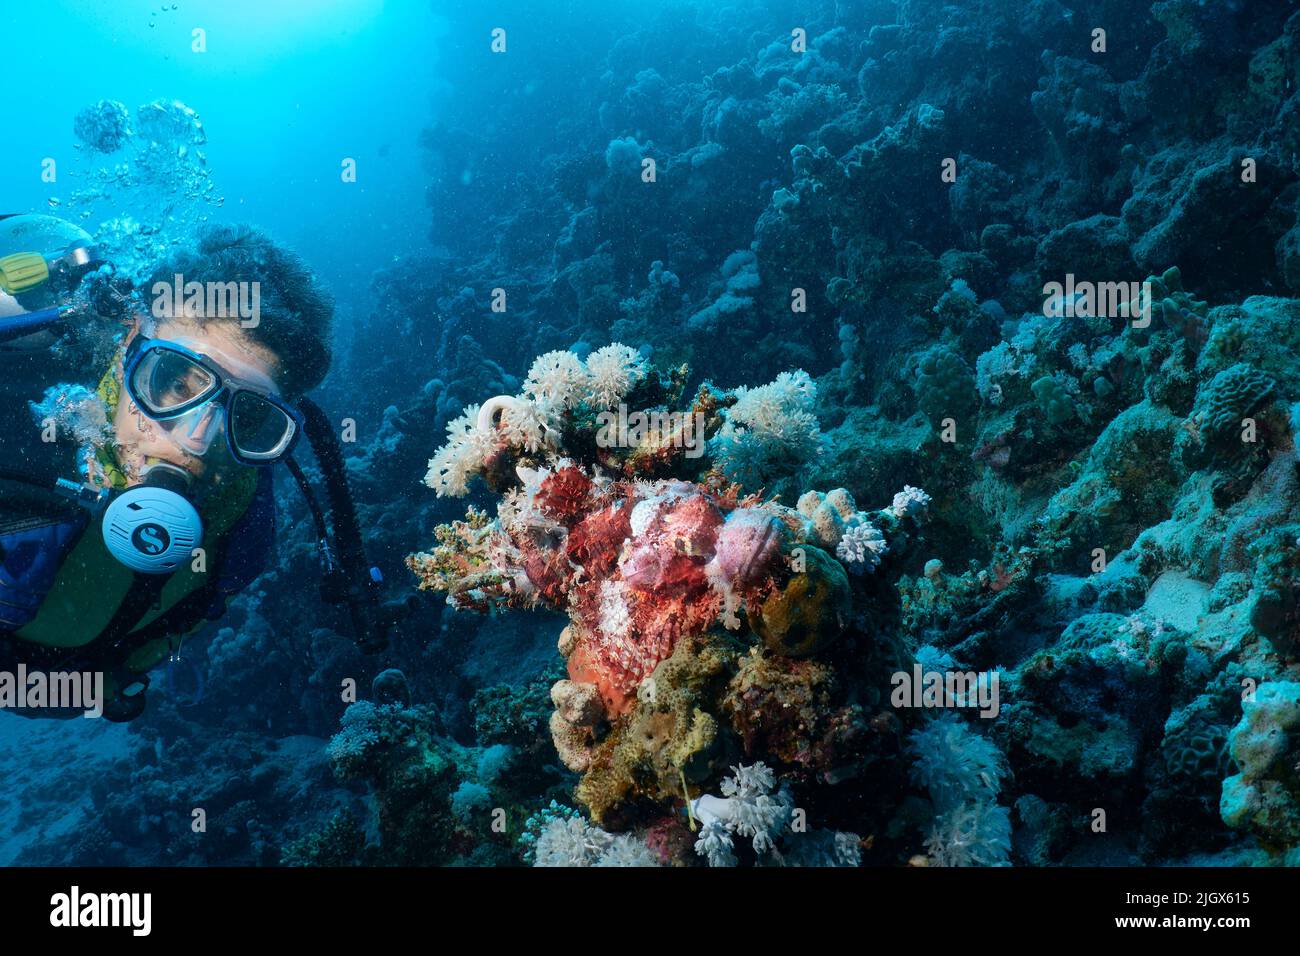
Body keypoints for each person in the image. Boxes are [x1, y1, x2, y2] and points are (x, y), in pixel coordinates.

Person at [0, 214, 388, 721]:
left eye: (246, 416)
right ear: (128, 344)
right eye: (177, 382)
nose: (196, 439)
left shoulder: (244, 531)